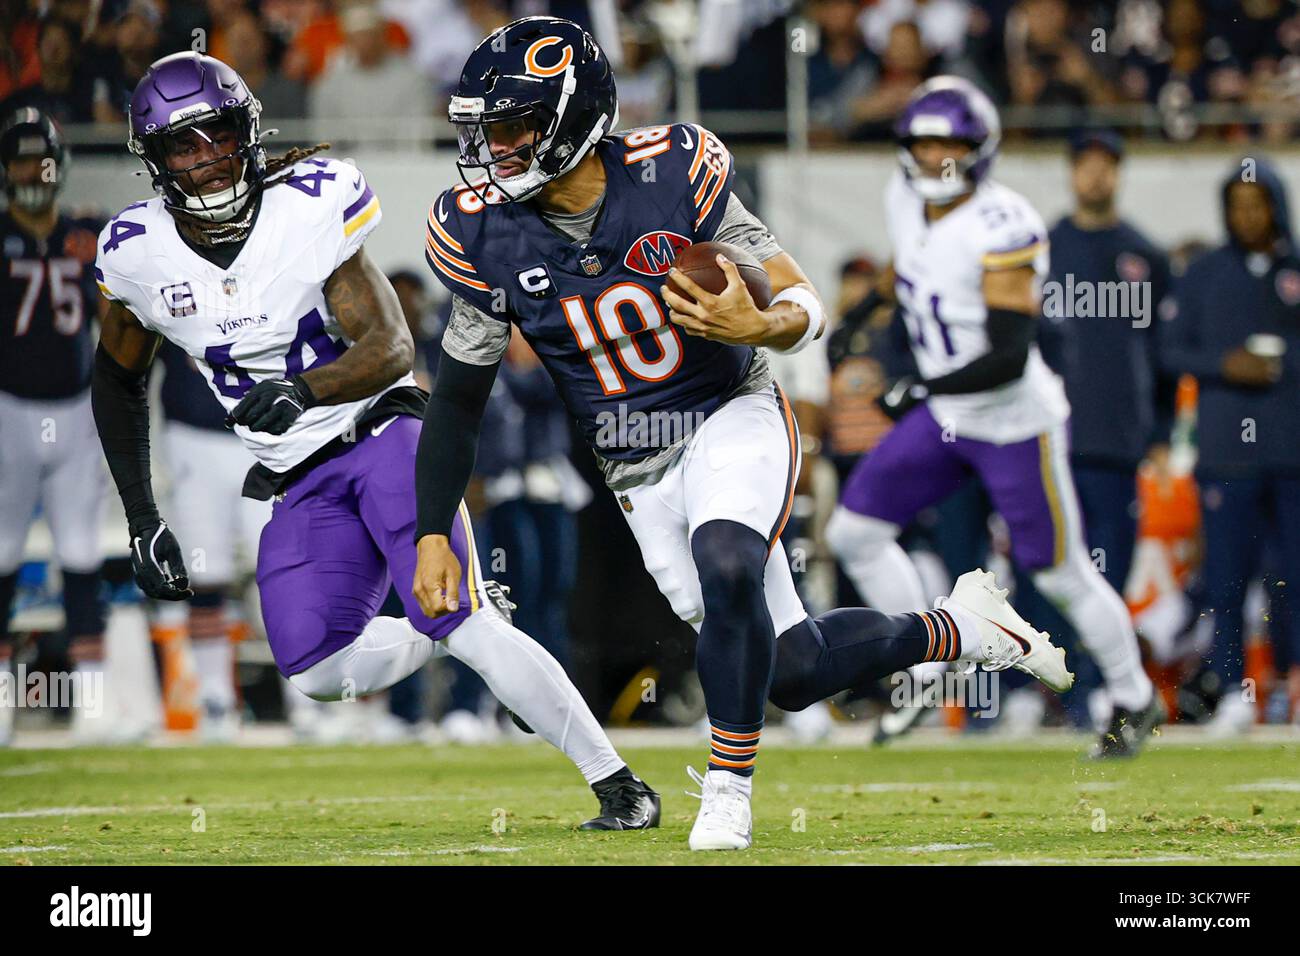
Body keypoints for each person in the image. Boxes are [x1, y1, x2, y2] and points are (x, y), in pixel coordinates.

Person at [412, 17, 1072, 852]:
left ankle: (727, 791)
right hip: (635, 466)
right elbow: (460, 400)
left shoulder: (673, 173)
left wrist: (761, 324)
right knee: (791, 671)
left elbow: (805, 303)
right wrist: (434, 528)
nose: (494, 150)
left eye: (512, 128)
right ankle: (966, 629)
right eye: (486, 130)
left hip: (731, 411)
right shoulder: (477, 230)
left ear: (574, 119)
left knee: (728, 559)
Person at [91, 50, 658, 830]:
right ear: (154, 161)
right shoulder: (135, 253)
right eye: (183, 146)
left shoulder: (310, 204)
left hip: (382, 431)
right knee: (318, 671)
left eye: (219, 134)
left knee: (459, 618)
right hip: (296, 476)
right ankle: (453, 627)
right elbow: (116, 380)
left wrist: (305, 388)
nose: (208, 158)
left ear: (248, 131)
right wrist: (141, 514)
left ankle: (620, 785)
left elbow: (391, 349)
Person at [823, 77, 1160, 759]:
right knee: (853, 532)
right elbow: (908, 267)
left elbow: (1008, 355)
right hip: (948, 414)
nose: (935, 159)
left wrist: (919, 386)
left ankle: (1134, 695)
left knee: (1060, 573)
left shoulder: (1006, 223)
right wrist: (856, 318)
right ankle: (923, 667)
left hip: (1011, 423)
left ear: (980, 151)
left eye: (950, 145)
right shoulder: (905, 200)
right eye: (923, 145)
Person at [1162, 158, 1300, 733]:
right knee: (1225, 578)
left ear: (1275, 206)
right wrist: (1225, 364)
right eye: (1237, 206)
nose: (1248, 216)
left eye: (1257, 204)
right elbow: (1170, 351)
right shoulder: (1204, 275)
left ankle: (1291, 686)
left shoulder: (1294, 269)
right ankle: (1233, 687)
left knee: (1292, 575)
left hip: (1292, 454)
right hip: (1226, 455)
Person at [0, 107, 107, 746]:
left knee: (82, 554)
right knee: (3, 553)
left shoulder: (86, 236)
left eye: (40, 160)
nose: (31, 174)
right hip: (9, 408)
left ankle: (91, 699)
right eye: (20, 161)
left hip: (76, 409)